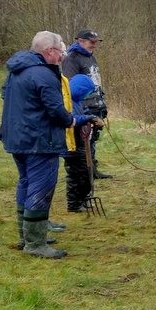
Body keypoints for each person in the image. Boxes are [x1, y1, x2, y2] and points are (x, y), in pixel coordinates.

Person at [0, 31, 96, 259]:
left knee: (25, 183)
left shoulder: (17, 70)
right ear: (50, 51)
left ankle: (27, 236)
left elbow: (6, 96)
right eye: (60, 51)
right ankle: (35, 243)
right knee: (40, 187)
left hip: (17, 138)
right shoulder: (43, 73)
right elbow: (56, 109)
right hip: (39, 141)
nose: (63, 56)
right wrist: (72, 120)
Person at [62, 29, 112, 179]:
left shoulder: (91, 57)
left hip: (97, 104)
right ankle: (82, 172)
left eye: (95, 42)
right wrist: (80, 109)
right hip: (83, 106)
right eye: (91, 42)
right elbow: (71, 86)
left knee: (93, 139)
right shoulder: (72, 58)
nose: (94, 45)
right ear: (80, 41)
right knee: (83, 143)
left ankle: (93, 170)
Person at [64, 74, 104, 213]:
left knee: (87, 170)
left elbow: (84, 112)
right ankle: (74, 203)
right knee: (76, 174)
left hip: (80, 142)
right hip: (71, 144)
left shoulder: (77, 101)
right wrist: (89, 118)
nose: (86, 95)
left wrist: (94, 120)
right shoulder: (67, 101)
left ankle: (84, 198)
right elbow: (72, 119)